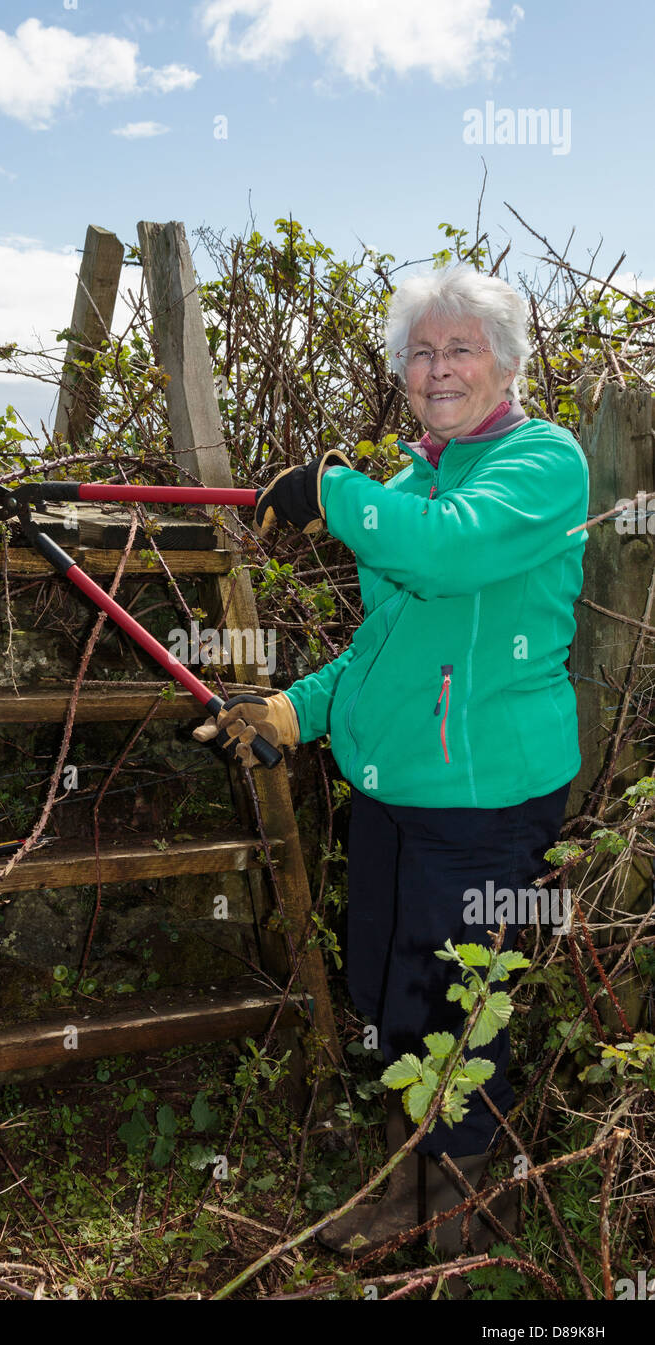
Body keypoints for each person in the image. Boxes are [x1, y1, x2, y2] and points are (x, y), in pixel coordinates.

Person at [193, 262, 589, 1256]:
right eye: (418, 351)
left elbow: (446, 551)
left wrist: (334, 491)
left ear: (502, 361)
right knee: (382, 983)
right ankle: (402, 1178)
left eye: (457, 347)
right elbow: (384, 646)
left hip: (485, 798)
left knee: (453, 1007)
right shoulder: (413, 477)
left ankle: (455, 1221)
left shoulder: (543, 462)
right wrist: (293, 710)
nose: (435, 366)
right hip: (393, 791)